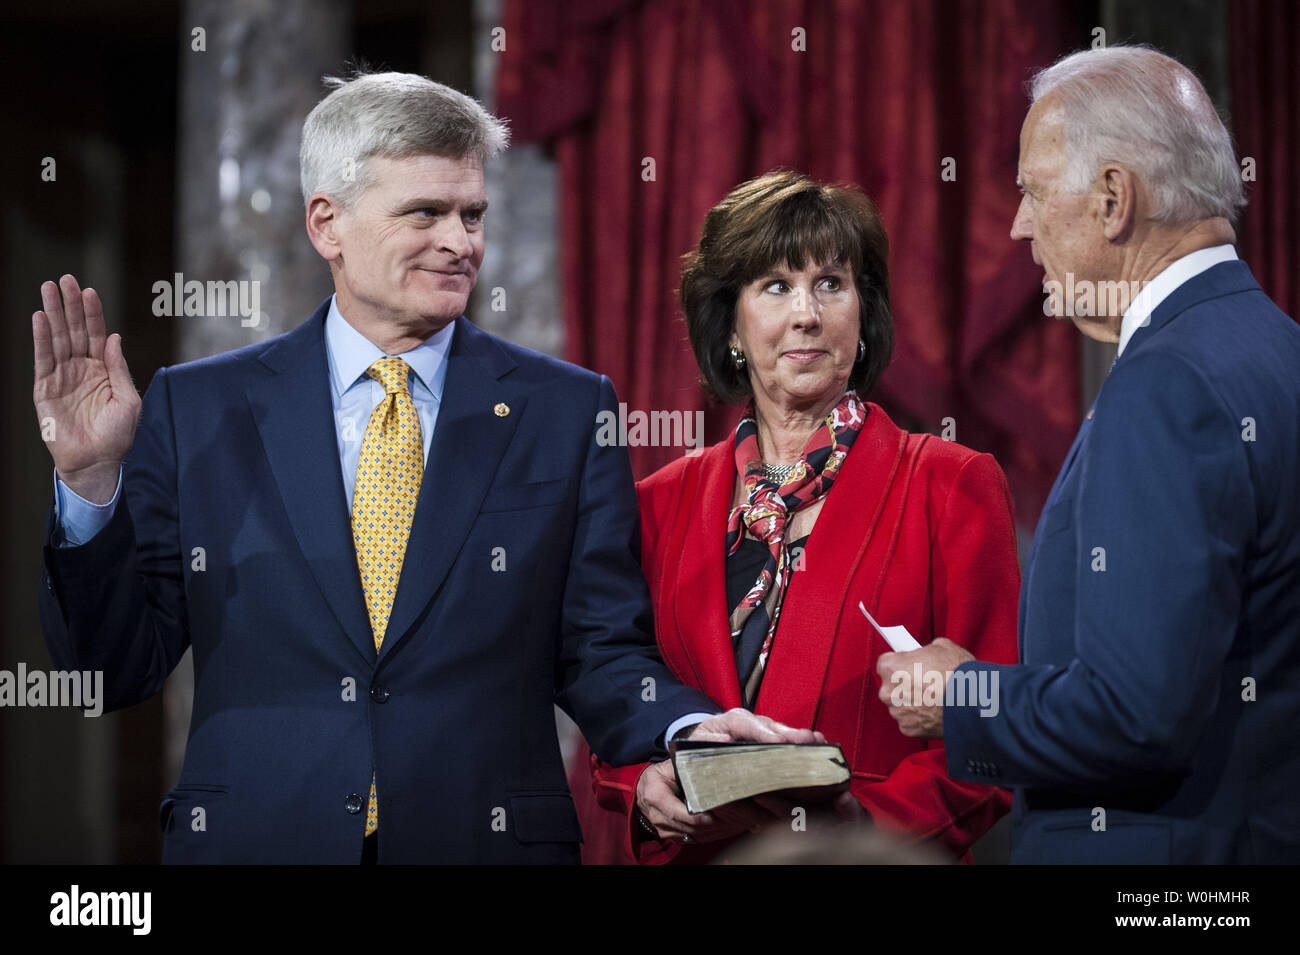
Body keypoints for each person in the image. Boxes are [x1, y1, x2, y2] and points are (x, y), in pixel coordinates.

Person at [31, 71, 813, 864]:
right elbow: (111, 666)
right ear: (327, 224)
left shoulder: (567, 411)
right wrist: (91, 484)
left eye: (472, 214)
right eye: (425, 213)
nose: (461, 241)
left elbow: (599, 649)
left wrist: (684, 728)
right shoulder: (199, 408)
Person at [879, 45, 1300, 864]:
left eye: (1034, 191)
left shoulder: (1169, 383)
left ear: (1113, 198)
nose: (1018, 225)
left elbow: (1136, 714)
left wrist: (958, 695)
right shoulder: (1275, 348)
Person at [590, 171, 1021, 864]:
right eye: (775, 287)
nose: (807, 315)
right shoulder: (658, 503)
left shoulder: (952, 483)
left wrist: (858, 828)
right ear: (730, 324)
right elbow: (612, 697)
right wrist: (640, 785)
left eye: (830, 283)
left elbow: (993, 726)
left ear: (864, 310)